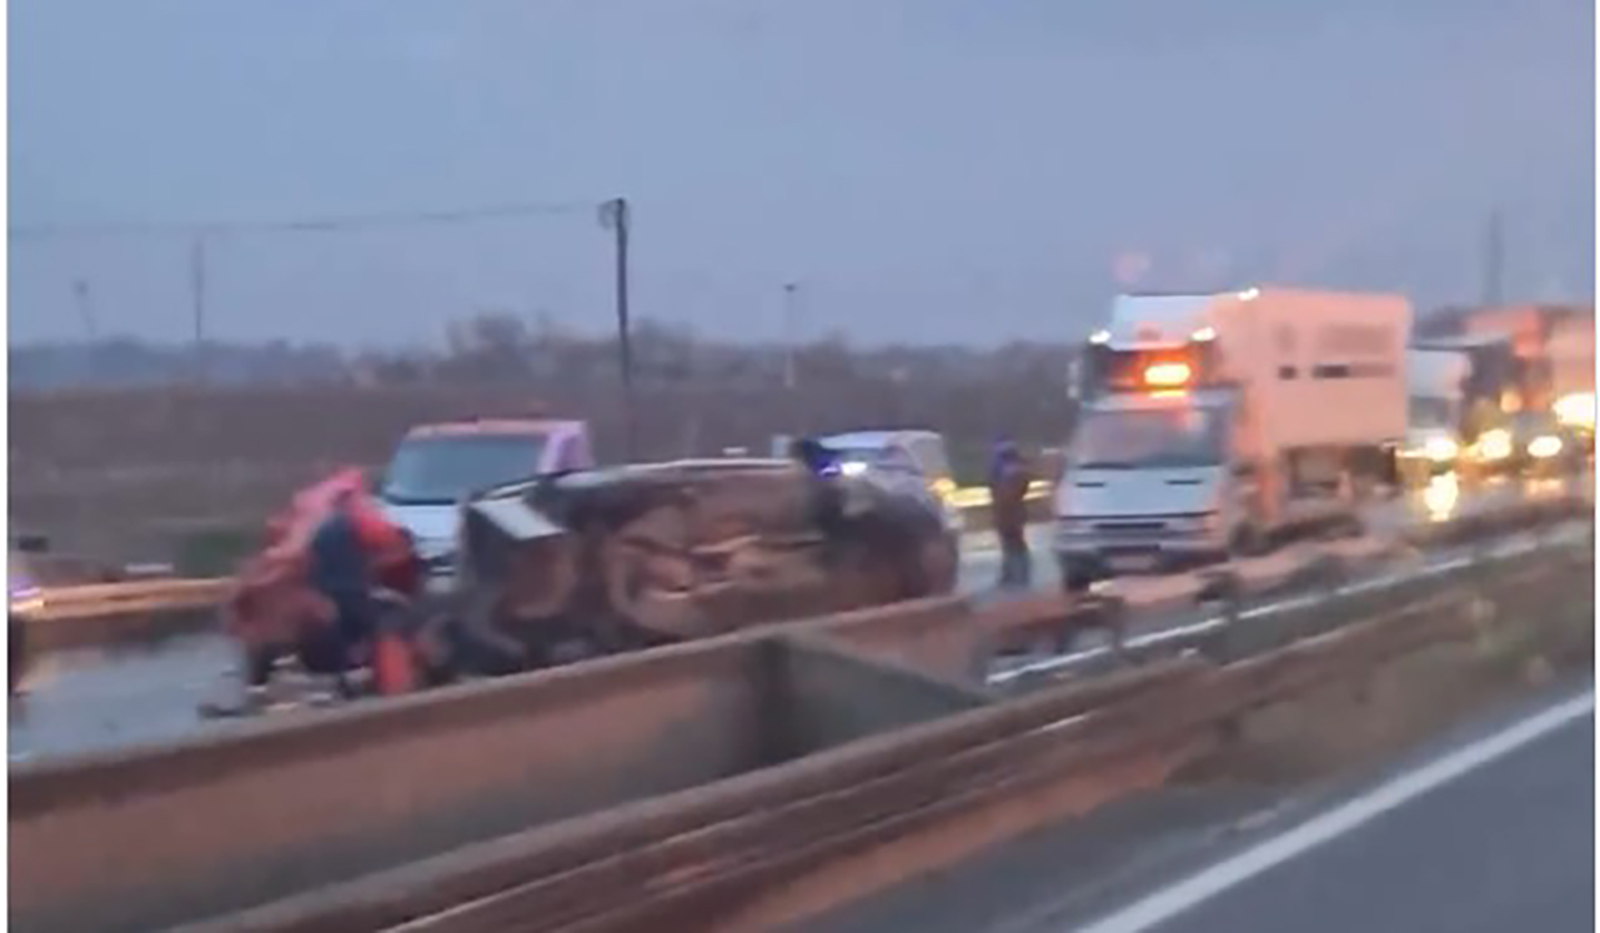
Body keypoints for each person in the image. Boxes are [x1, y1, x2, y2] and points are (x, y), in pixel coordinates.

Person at [989, 441, 1033, 590]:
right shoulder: (1014, 472)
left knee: (1014, 544)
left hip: (1009, 513)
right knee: (1012, 544)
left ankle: (1017, 575)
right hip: (1010, 513)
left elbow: (1006, 495)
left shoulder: (1011, 473)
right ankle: (1013, 574)